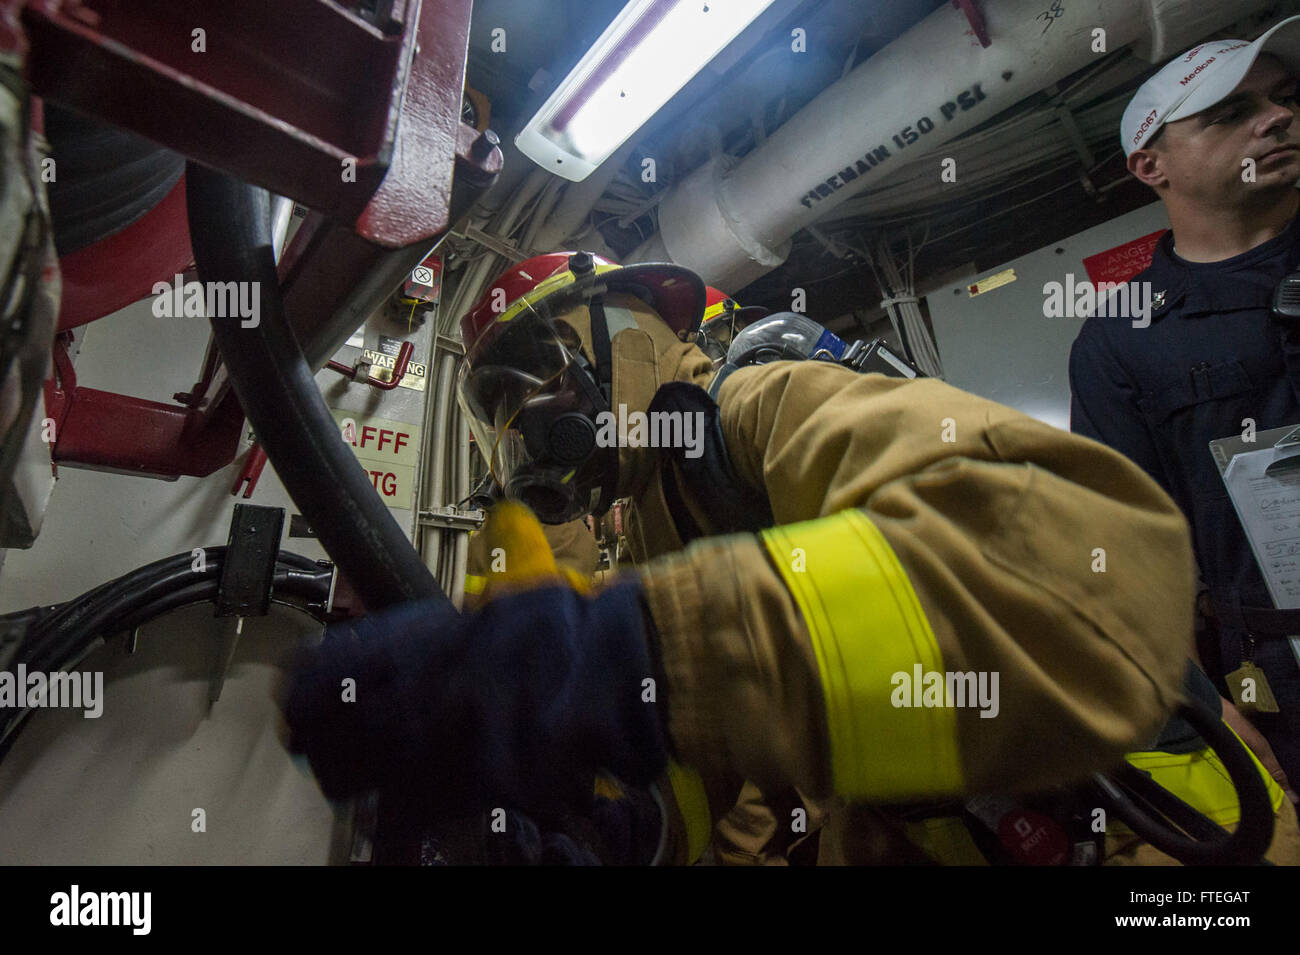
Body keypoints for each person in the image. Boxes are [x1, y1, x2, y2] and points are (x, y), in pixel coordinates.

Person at [285, 250, 1196, 864]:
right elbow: (738, 767)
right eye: (500, 405)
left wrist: (629, 653)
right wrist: (613, 833)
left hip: (1150, 834)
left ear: (621, 330)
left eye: (534, 375)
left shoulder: (765, 403)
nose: (524, 421)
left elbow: (1081, 579)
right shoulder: (652, 516)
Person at [1069, 17, 1300, 804]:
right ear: (1150, 164)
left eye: (1283, 98)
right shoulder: (1121, 342)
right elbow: (1125, 551)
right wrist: (1206, 705)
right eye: (1231, 113)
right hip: (1280, 676)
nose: (1278, 117)